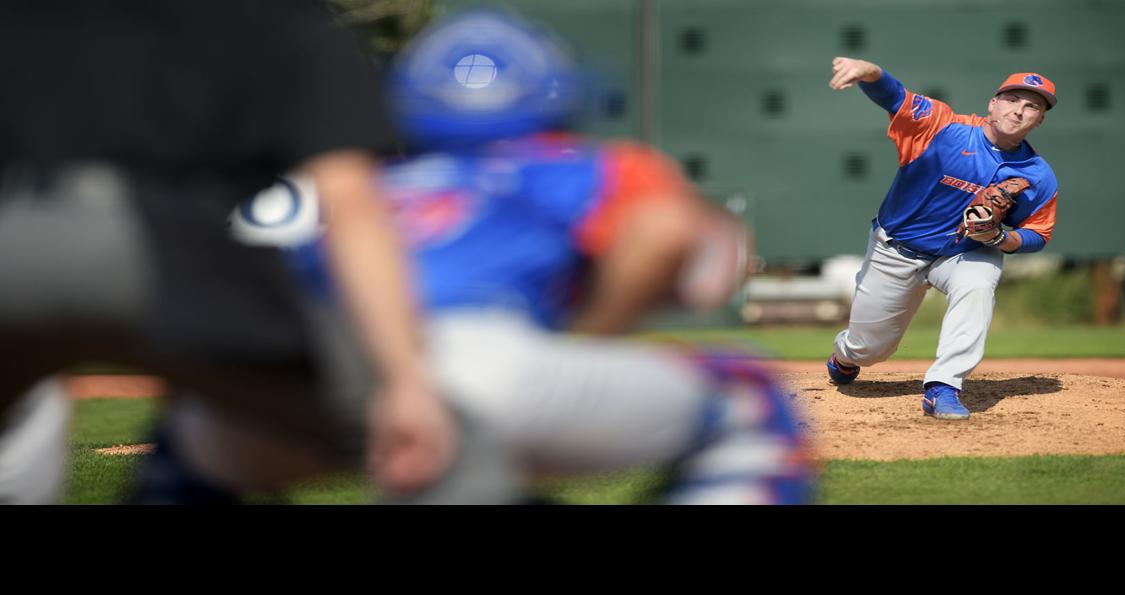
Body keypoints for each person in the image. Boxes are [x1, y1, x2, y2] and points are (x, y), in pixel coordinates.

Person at [284, 8, 813, 503]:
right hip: (487, 361)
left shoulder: (367, 189)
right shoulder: (581, 166)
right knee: (750, 397)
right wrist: (588, 337)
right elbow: (680, 244)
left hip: (332, 378)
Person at [0, 0, 455, 504]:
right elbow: (349, 200)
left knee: (20, 459)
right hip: (164, 254)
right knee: (450, 445)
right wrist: (403, 378)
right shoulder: (278, 19)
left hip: (15, 242)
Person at [824, 57, 1059, 420]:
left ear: (1040, 120)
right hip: (897, 249)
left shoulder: (1038, 176)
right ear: (992, 104)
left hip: (963, 253)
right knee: (869, 350)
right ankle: (845, 356)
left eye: (1032, 106)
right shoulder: (941, 126)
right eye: (1012, 99)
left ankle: (943, 387)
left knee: (979, 284)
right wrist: (869, 72)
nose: (1019, 111)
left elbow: (1038, 234)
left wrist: (1000, 238)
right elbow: (895, 97)